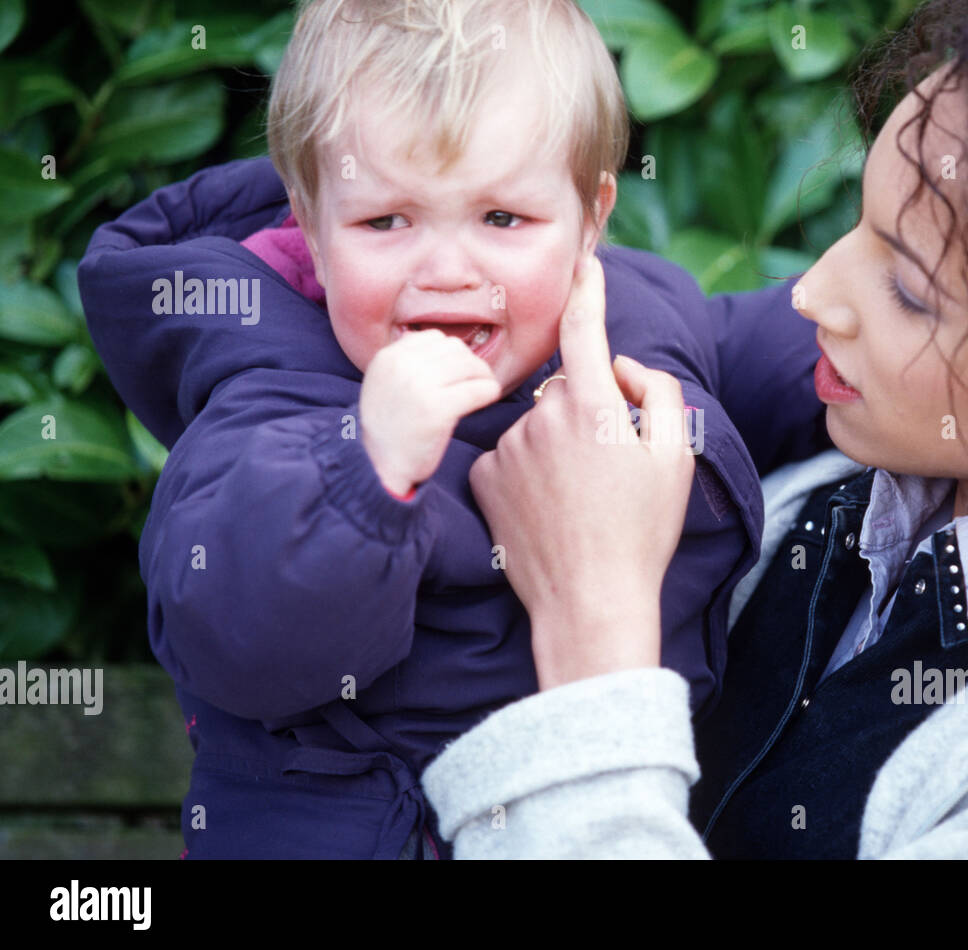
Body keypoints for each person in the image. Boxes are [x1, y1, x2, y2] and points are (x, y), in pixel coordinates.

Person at [424, 0, 968, 858]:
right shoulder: (832, 474)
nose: (811, 293)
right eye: (859, 221)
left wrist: (594, 625)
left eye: (911, 290)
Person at [77, 0, 828, 858]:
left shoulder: (641, 324)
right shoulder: (268, 403)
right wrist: (363, 473)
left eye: (502, 219)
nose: (444, 270)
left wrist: (868, 330)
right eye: (384, 221)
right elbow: (230, 635)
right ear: (312, 228)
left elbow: (758, 352)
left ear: (591, 217)